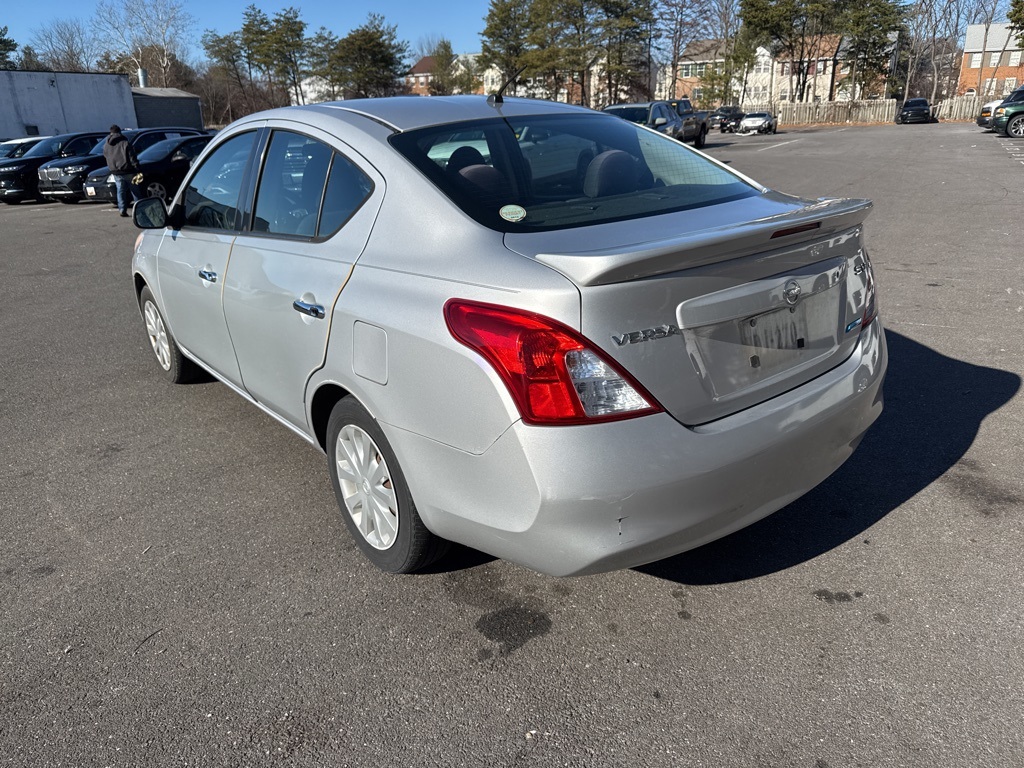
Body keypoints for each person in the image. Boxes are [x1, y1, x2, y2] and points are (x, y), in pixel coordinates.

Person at [102, 125, 140, 217]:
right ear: (119, 132)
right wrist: (137, 167)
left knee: (120, 190)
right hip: (128, 170)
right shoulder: (125, 142)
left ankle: (122, 209)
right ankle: (139, 209)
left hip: (115, 171)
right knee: (135, 190)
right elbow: (132, 156)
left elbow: (105, 156)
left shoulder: (106, 145)